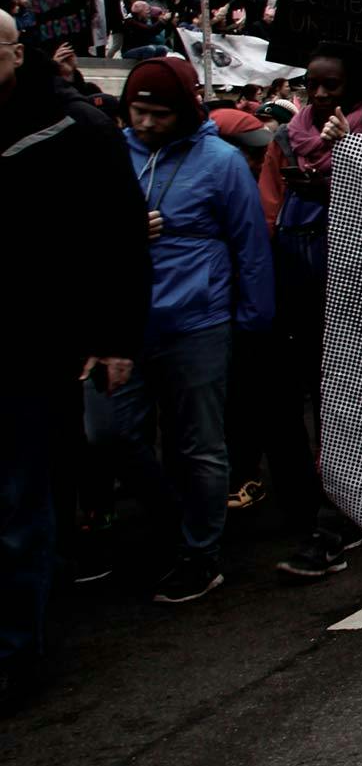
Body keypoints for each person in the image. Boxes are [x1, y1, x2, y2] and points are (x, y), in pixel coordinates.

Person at [83, 58, 275, 605]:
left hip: (198, 321)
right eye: (137, 111)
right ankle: (173, 521)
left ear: (184, 111)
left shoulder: (220, 163)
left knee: (199, 446)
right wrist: (116, 231)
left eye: (159, 113)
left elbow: (249, 247)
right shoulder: (111, 154)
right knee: (110, 435)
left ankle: (200, 553)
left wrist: (253, 321)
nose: (145, 123)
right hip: (121, 327)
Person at [0, 10, 150, 704]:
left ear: (14, 53)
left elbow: (119, 237)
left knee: (19, 501)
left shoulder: (75, 129)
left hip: (33, 343)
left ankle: (15, 649)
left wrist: (117, 336)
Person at [261, 43, 362, 582]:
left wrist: (354, 156)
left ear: (352, 89)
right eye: (310, 85)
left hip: (360, 296)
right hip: (298, 291)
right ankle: (333, 506)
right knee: (311, 403)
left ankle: (331, 525)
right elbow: (268, 214)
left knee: (347, 406)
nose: (318, 95)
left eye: (331, 86)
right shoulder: (282, 143)